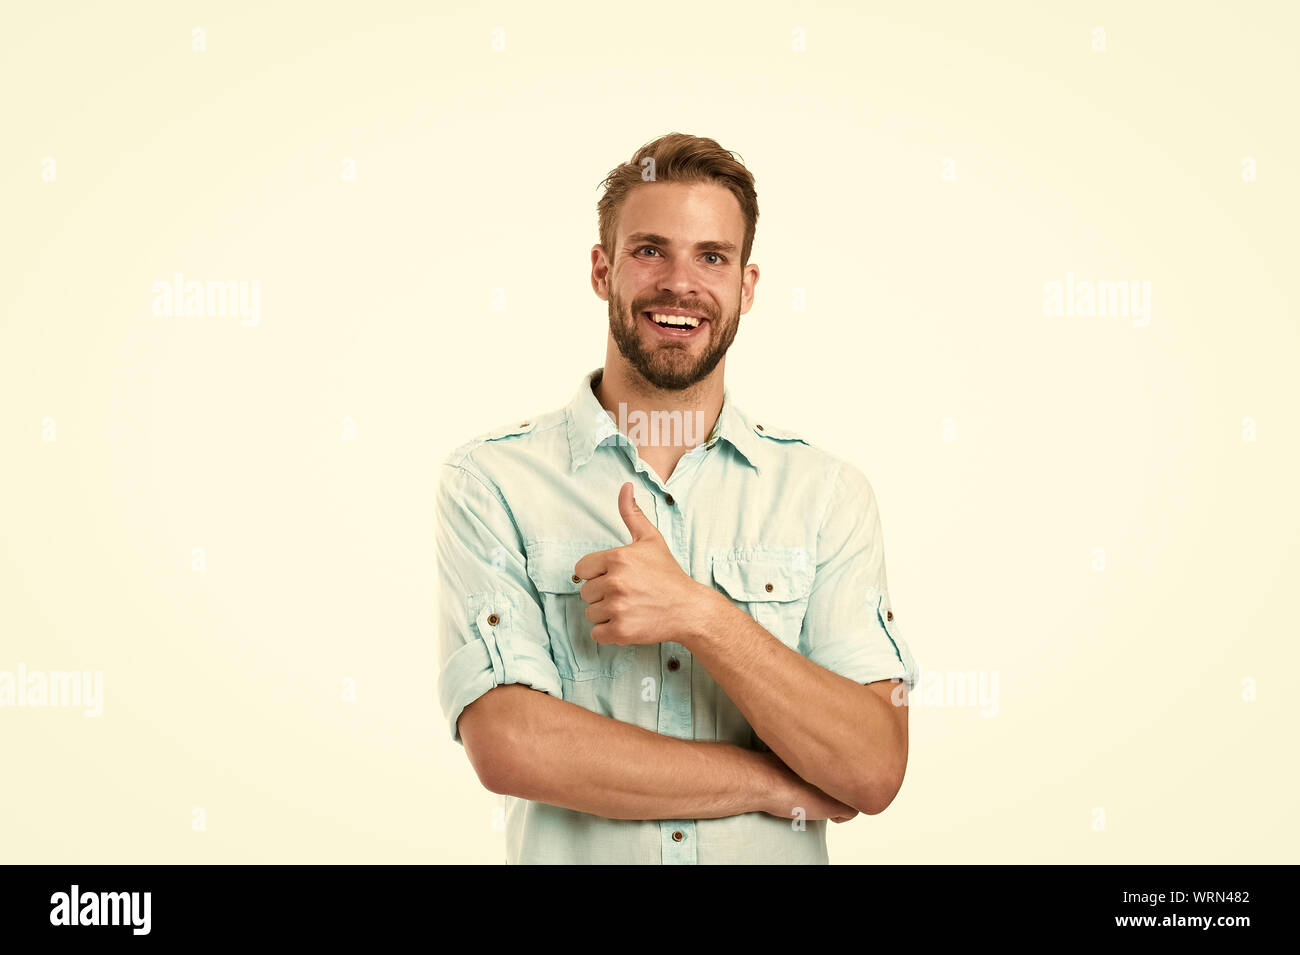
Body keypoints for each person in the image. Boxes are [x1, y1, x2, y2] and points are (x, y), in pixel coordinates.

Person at [436, 132, 919, 864]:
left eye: (712, 257)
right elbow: (511, 744)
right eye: (650, 250)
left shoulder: (827, 496)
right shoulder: (492, 483)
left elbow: (873, 765)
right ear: (603, 270)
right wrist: (769, 781)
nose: (679, 283)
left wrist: (699, 614)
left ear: (746, 287)